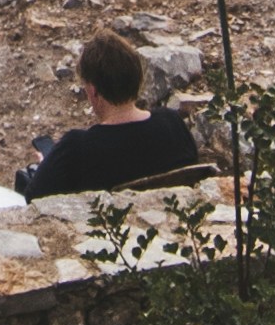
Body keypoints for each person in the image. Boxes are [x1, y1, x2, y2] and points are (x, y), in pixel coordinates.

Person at [16, 32, 206, 200]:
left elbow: (32, 197)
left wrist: (48, 166)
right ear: (138, 77)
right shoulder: (172, 123)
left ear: (94, 91)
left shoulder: (76, 148)